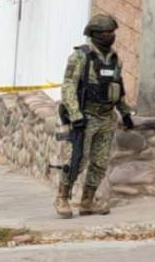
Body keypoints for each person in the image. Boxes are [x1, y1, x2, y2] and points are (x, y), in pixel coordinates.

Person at [55, 13, 135, 218]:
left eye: (112, 32)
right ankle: (63, 198)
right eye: (105, 32)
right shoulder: (80, 56)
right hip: (85, 117)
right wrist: (75, 115)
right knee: (77, 160)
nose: (110, 36)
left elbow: (118, 88)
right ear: (94, 34)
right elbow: (69, 87)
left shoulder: (114, 58)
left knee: (100, 163)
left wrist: (125, 113)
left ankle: (87, 202)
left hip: (107, 118)